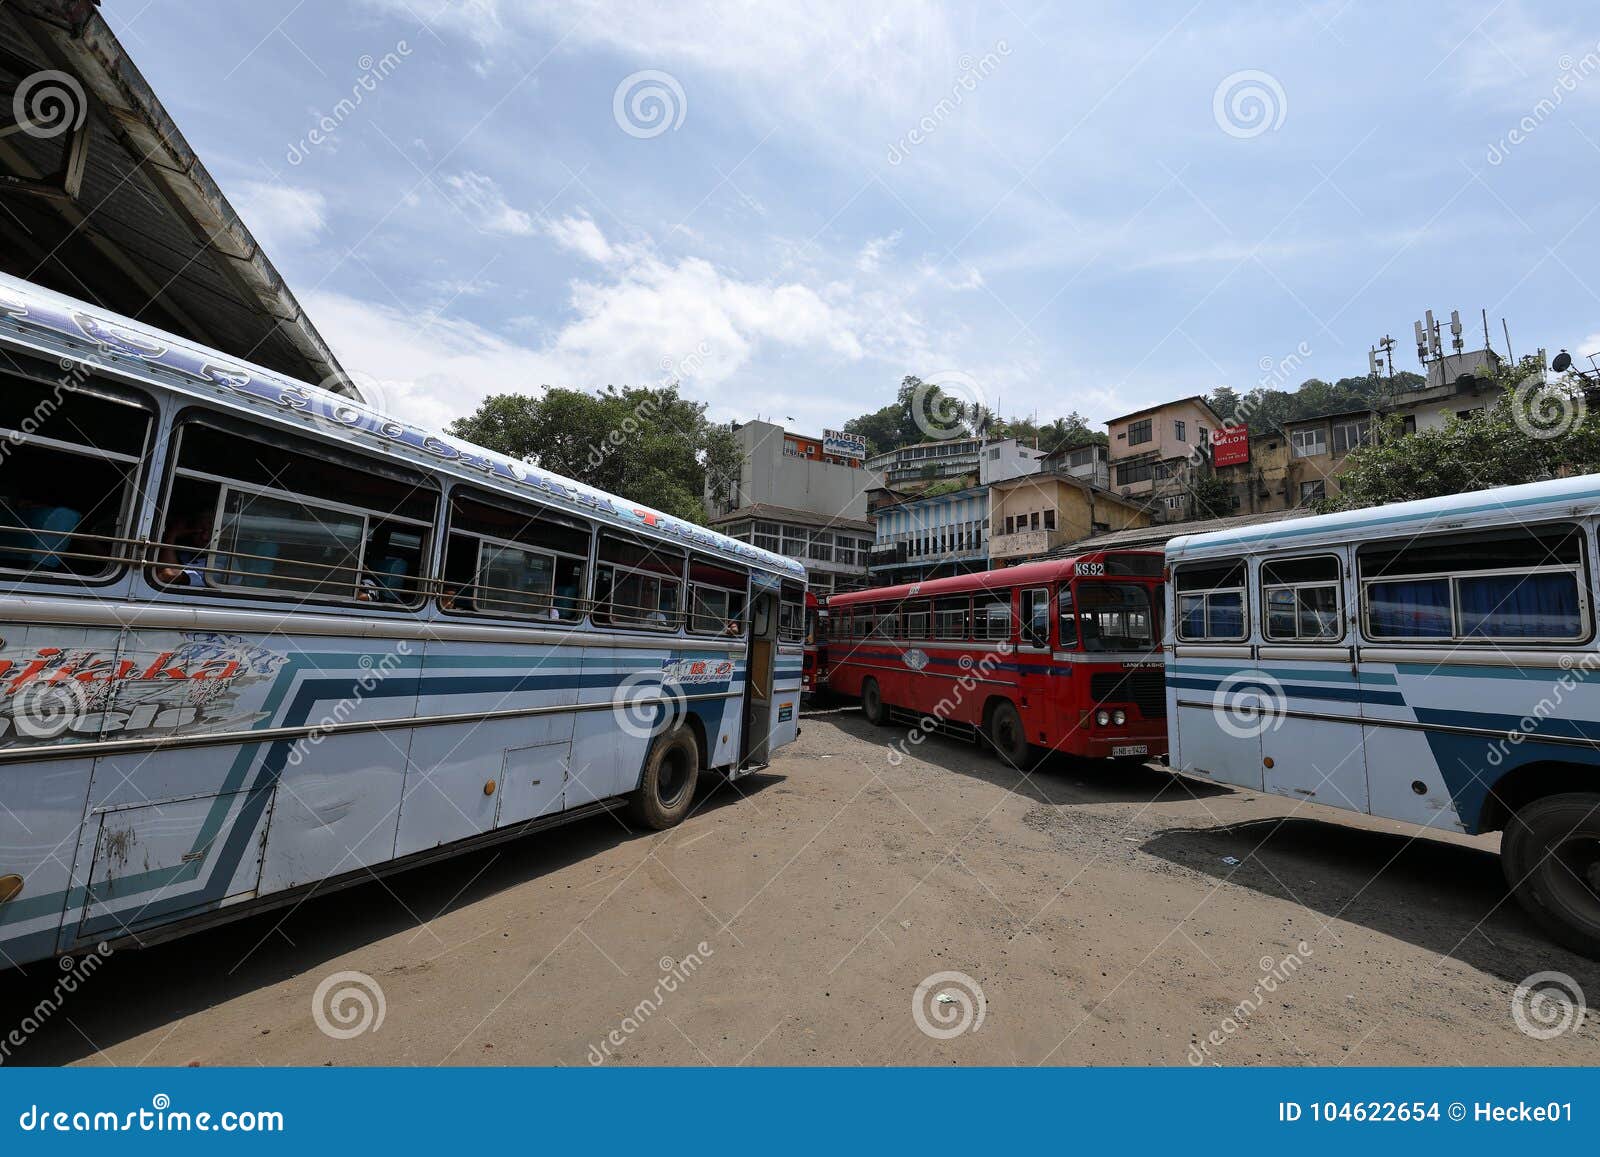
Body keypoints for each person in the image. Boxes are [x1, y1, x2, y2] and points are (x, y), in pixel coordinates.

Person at [153, 510, 211, 587]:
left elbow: (166, 574)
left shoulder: (218, 563)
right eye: (197, 532)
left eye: (210, 532)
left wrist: (171, 535)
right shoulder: (185, 554)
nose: (204, 537)